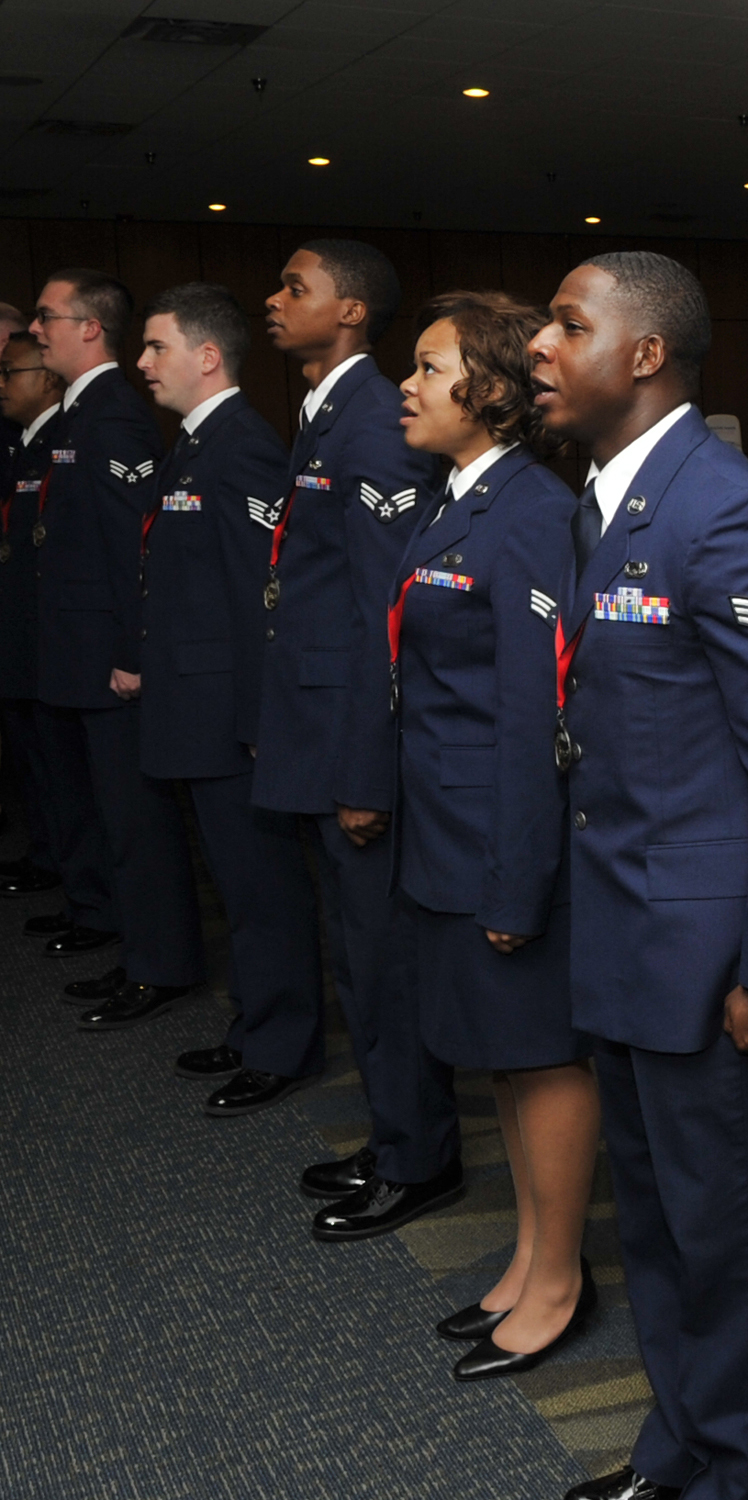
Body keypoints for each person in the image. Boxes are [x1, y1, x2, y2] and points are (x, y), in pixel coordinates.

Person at [528, 250, 748, 1500]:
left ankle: (743, 1475)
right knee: (658, 1232)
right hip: (627, 942)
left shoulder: (732, 512)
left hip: (720, 969)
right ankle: (683, 1453)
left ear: (645, 356)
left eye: (565, 325)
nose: (538, 349)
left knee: (737, 1249)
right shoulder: (609, 505)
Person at [384, 290, 597, 1381]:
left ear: (498, 393)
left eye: (427, 368)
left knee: (541, 1057)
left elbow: (536, 714)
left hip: (503, 842)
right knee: (503, 1063)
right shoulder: (453, 498)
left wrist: (520, 885)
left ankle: (559, 1278)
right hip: (450, 831)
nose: (406, 388)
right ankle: (528, 1254)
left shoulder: (528, 513)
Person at [251, 240, 462, 1238]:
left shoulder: (375, 426)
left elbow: (388, 611)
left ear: (349, 313)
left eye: (296, 287)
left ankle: (419, 1157)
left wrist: (368, 768)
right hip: (319, 725)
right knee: (359, 955)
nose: (274, 300)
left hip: (355, 742)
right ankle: (392, 1138)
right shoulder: (328, 418)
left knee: (381, 961)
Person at [133, 282, 325, 1112]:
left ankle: (282, 1046)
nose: (142, 364)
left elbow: (262, 598)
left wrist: (259, 721)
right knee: (238, 887)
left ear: (207, 357)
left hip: (231, 717)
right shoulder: (192, 447)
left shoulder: (241, 445)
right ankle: (255, 1024)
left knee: (262, 889)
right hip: (198, 709)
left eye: (155, 348)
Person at [28, 269, 206, 1021]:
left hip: (113, 663)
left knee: (137, 824)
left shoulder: (113, 419)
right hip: (82, 657)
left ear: (89, 327)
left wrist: (134, 651)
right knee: (111, 818)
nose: (35, 332)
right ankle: (138, 949)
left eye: (46, 317)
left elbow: (136, 548)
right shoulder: (79, 416)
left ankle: (160, 964)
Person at [0, 330, 73, 909]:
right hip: (23, 634)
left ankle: (77, 880)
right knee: (35, 765)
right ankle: (54, 861)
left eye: (10, 373)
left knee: (61, 773)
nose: (1, 385)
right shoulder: (24, 444)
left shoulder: (61, 442)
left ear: (47, 378)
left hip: (50, 638)